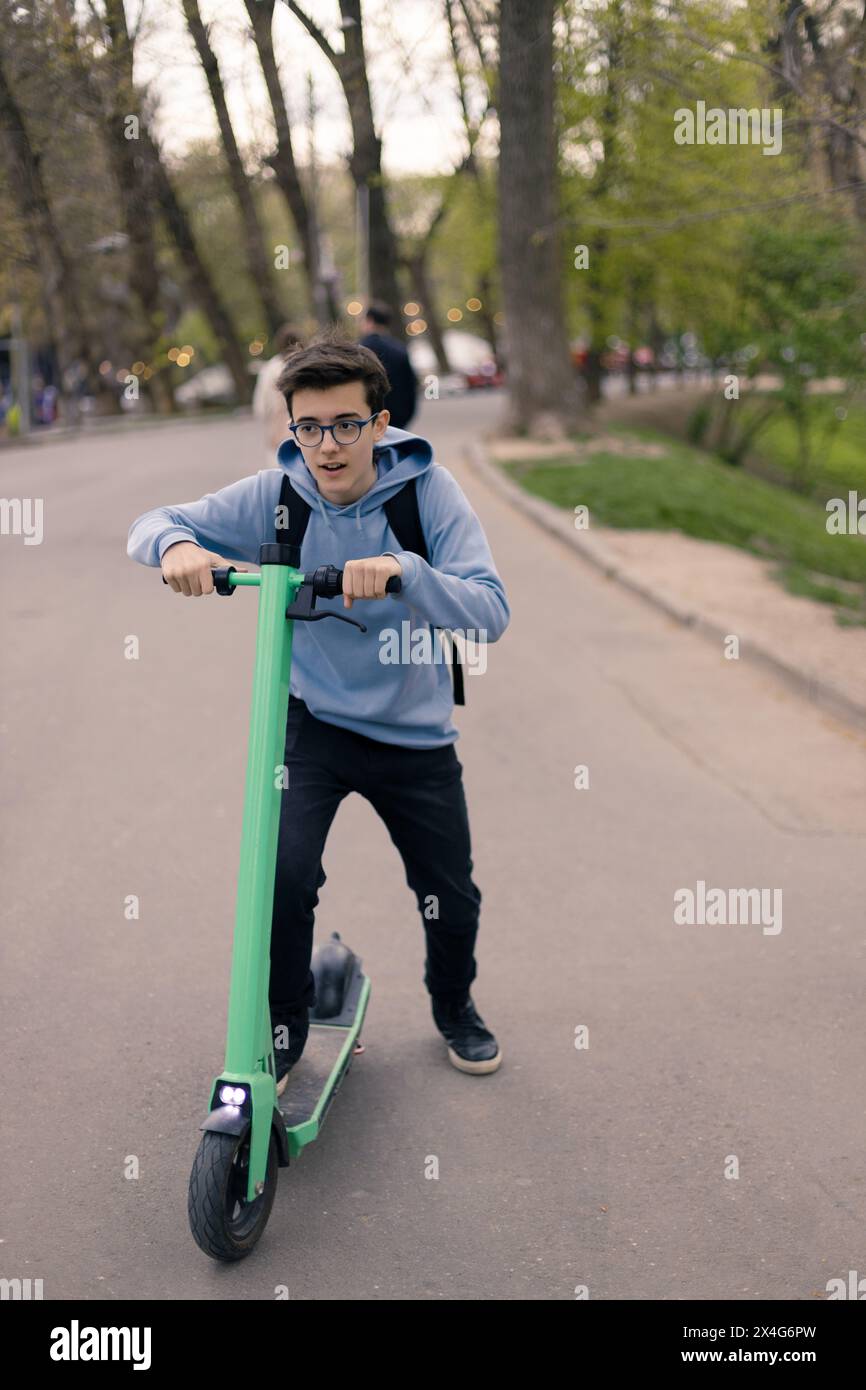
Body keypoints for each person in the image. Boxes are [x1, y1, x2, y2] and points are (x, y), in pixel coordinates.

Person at [127, 335, 510, 1093]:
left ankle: (454, 1004)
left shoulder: (425, 492)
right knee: (281, 875)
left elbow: (490, 613)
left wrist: (407, 572)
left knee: (450, 892)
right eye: (308, 427)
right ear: (289, 428)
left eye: (345, 425)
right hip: (313, 728)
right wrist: (176, 545)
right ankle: (285, 1023)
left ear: (380, 422)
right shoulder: (275, 493)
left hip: (415, 734)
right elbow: (152, 523)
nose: (326, 447)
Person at [359, 301, 417, 429]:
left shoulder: (360, 350)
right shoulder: (400, 350)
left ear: (370, 320)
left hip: (368, 420)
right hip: (398, 420)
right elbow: (411, 387)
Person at [252, 322, 303, 456]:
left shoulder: (268, 370)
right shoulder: (307, 365)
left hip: (279, 433)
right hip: (306, 434)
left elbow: (260, 408)